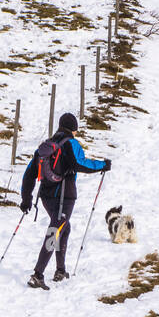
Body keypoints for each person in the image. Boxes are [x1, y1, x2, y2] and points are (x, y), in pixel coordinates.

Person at [20, 112, 110, 289]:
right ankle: (38, 274)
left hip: (46, 196)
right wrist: (103, 165)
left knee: (64, 228)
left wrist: (26, 199)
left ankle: (60, 270)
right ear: (73, 129)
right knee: (55, 230)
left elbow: (29, 174)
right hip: (65, 197)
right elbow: (80, 164)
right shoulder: (71, 143)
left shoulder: (46, 147)